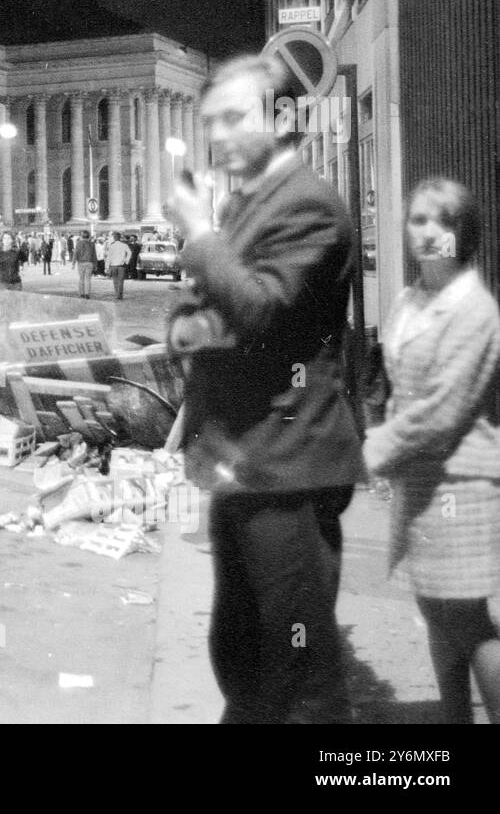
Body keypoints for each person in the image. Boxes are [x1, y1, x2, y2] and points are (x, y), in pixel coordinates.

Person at [165, 54, 363, 724]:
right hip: (241, 464)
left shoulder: (307, 205)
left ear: (283, 118)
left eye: (233, 117)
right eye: (209, 121)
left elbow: (259, 315)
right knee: (242, 655)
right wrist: (198, 321)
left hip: (286, 468)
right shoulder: (252, 202)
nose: (216, 135)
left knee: (303, 680)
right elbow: (203, 317)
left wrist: (198, 233)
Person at [363, 178, 500, 723]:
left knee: (465, 618)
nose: (429, 232)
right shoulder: (409, 300)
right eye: (418, 220)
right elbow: (399, 391)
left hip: (460, 486)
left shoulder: (476, 310)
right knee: (435, 611)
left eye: (443, 221)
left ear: (464, 232)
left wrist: (371, 452)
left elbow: (443, 413)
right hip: (418, 482)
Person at [105, 232, 131, 300]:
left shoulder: (111, 246)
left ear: (114, 238)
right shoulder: (124, 245)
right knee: (121, 281)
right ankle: (120, 295)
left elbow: (108, 257)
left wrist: (107, 267)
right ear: (120, 238)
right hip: (121, 266)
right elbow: (129, 253)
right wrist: (126, 261)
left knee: (115, 281)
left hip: (113, 266)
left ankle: (117, 294)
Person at [71, 230, 97, 298]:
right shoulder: (92, 244)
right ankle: (87, 294)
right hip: (89, 263)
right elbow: (94, 255)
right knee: (88, 279)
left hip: (81, 263)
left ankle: (81, 293)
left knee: (81, 279)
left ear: (82, 236)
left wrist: (73, 263)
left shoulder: (79, 243)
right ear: (88, 236)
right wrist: (95, 264)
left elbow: (75, 253)